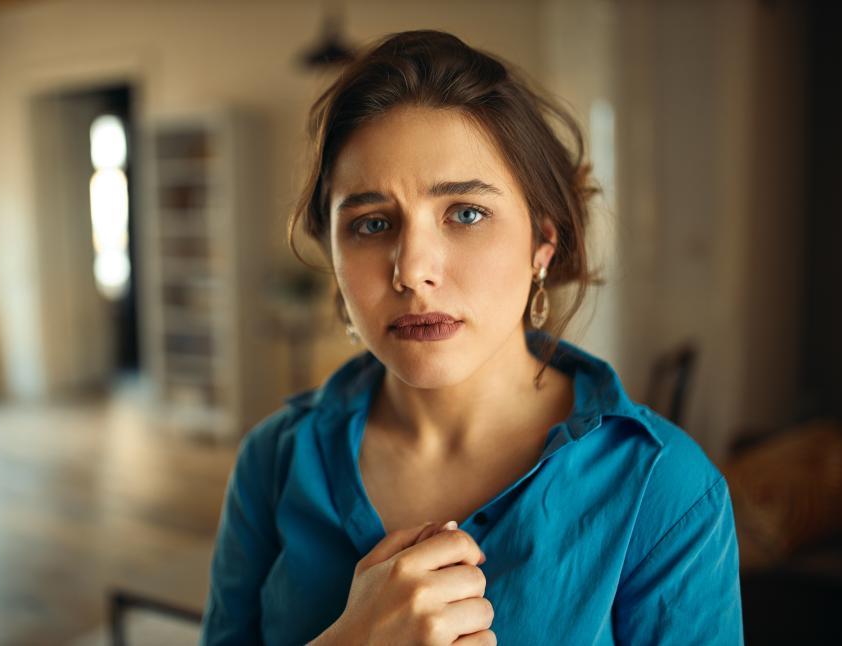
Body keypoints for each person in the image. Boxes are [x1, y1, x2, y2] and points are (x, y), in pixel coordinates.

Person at [200, 30, 743, 645]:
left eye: (465, 213)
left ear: (543, 240)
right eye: (371, 223)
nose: (412, 270)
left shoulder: (664, 491)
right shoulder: (271, 462)